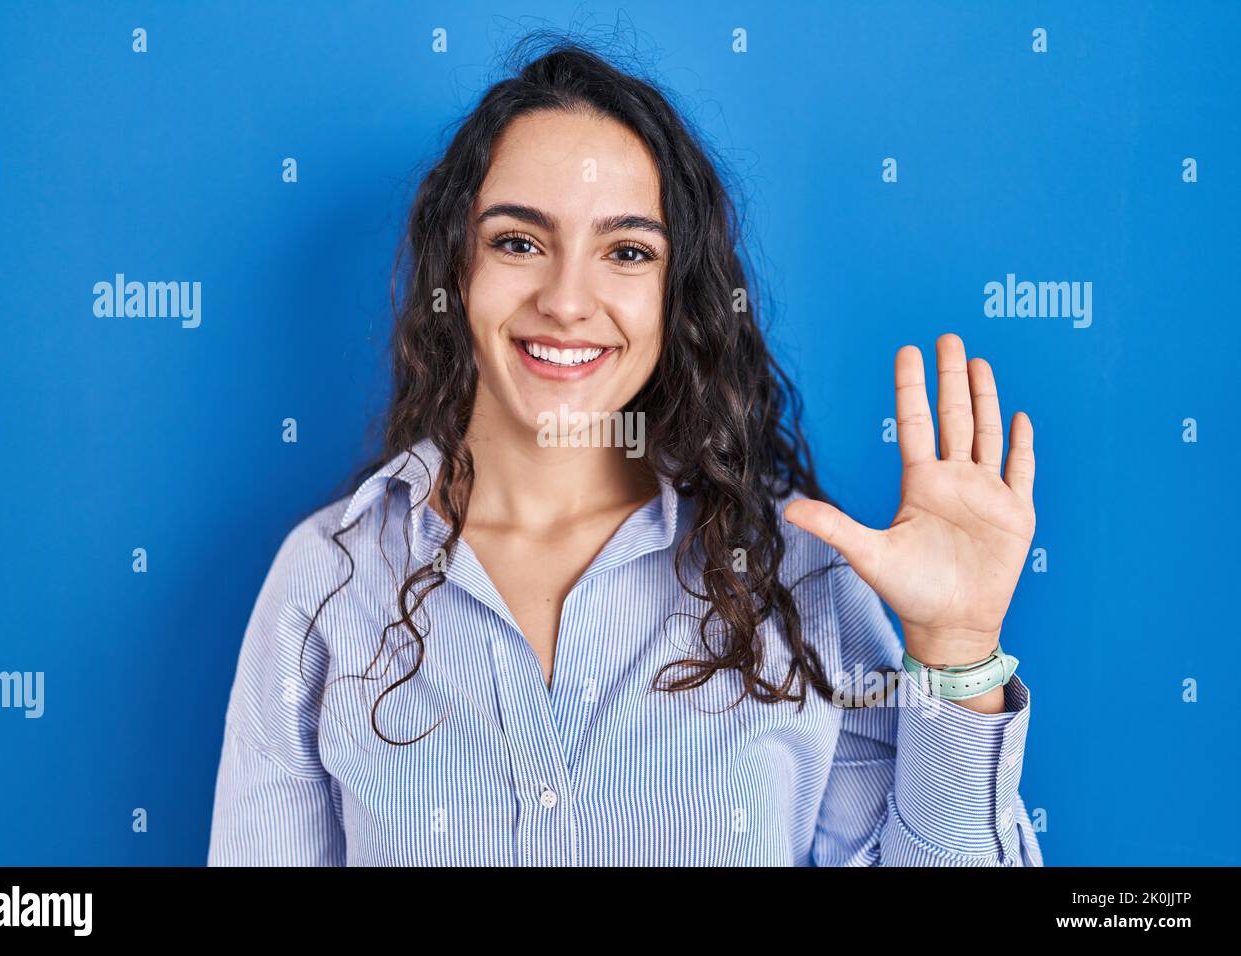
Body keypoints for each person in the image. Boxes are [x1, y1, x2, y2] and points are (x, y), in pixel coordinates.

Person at [208, 38, 1042, 866]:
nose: (567, 300)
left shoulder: (797, 579)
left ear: (676, 296)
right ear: (455, 270)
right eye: (518, 241)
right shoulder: (326, 580)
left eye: (628, 252)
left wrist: (958, 650)